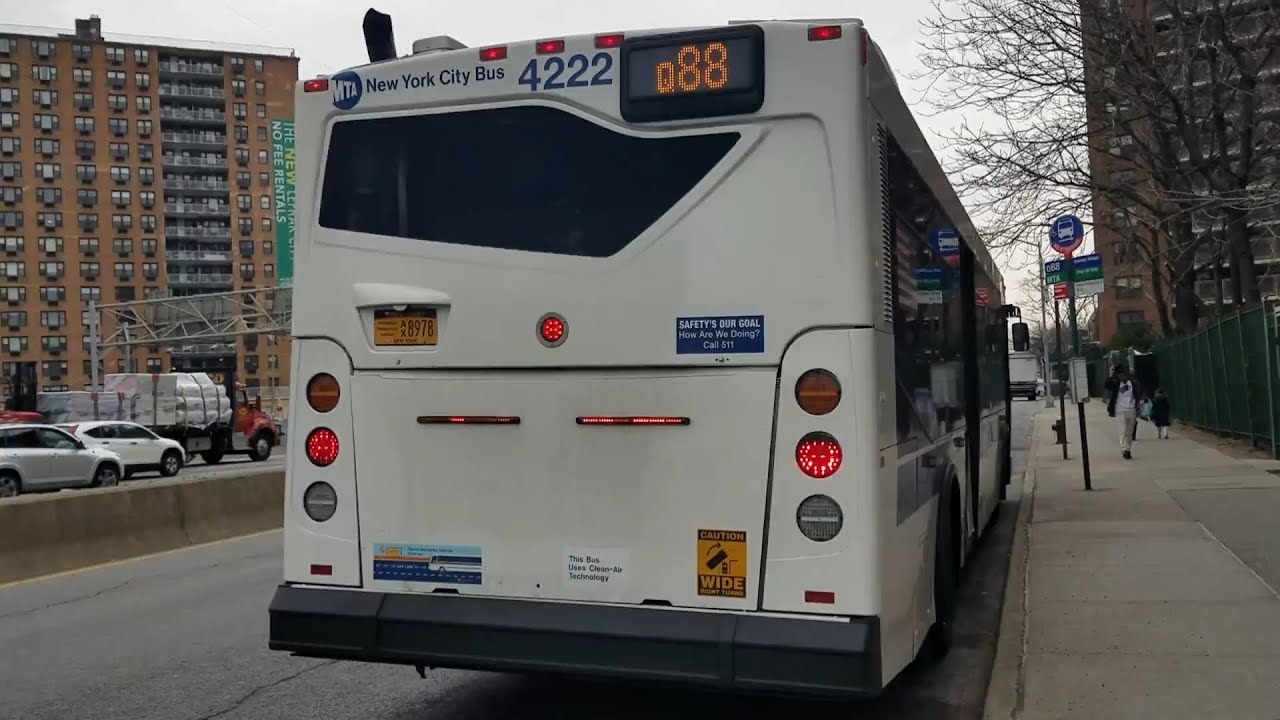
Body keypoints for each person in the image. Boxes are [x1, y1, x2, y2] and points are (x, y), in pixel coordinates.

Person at [1106, 366, 1144, 459]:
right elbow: (1107, 385)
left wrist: (1138, 405)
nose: (1122, 377)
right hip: (1120, 410)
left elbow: (1138, 393)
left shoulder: (1133, 383)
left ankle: (1128, 448)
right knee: (1122, 431)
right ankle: (1125, 450)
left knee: (1130, 432)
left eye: (1124, 374)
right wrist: (1111, 375)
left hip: (1131, 409)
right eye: (1120, 375)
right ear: (1117, 375)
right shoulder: (1115, 383)